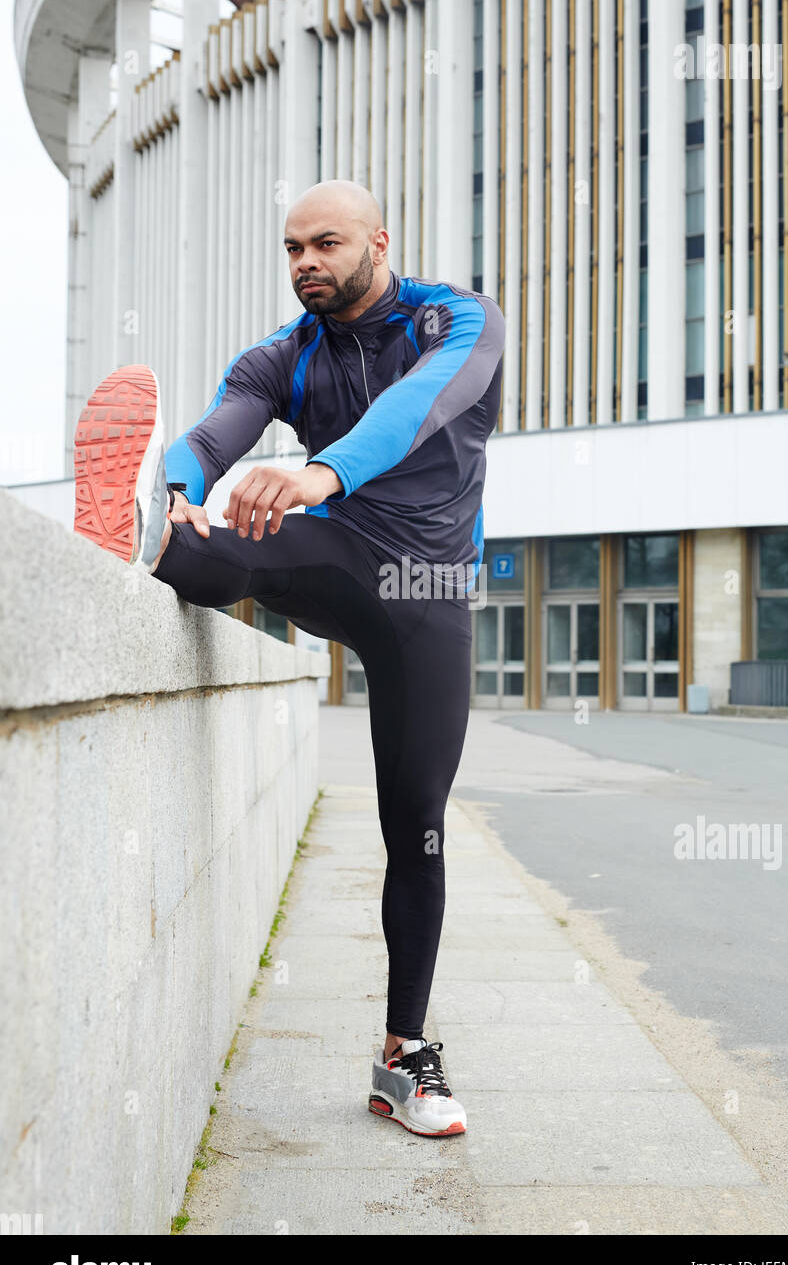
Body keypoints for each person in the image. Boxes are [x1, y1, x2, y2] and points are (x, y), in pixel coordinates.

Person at [73, 179, 505, 1137]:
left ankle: (403, 1059)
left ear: (379, 242)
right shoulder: (282, 355)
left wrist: (321, 468)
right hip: (341, 554)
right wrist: (177, 483)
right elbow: (216, 433)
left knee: (417, 827)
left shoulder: (457, 320)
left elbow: (420, 406)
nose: (306, 262)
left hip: (431, 592)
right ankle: (145, 531)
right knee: (234, 541)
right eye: (293, 248)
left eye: (326, 243)